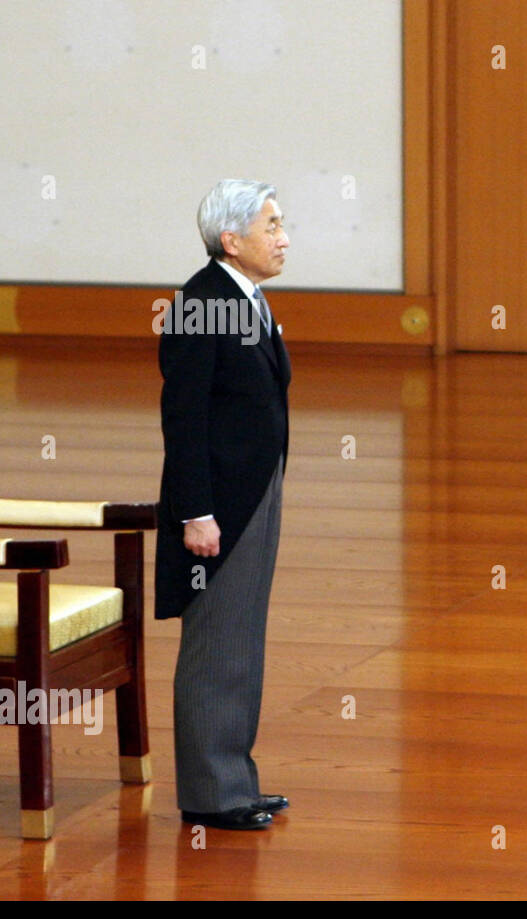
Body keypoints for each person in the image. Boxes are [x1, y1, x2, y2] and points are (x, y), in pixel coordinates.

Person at [156, 179, 292, 830]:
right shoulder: (200, 305)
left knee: (241, 639)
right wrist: (195, 513)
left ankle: (235, 780)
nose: (284, 238)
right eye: (272, 226)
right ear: (232, 240)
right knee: (216, 644)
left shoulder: (245, 297)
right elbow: (183, 419)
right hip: (219, 506)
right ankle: (211, 796)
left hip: (255, 490)